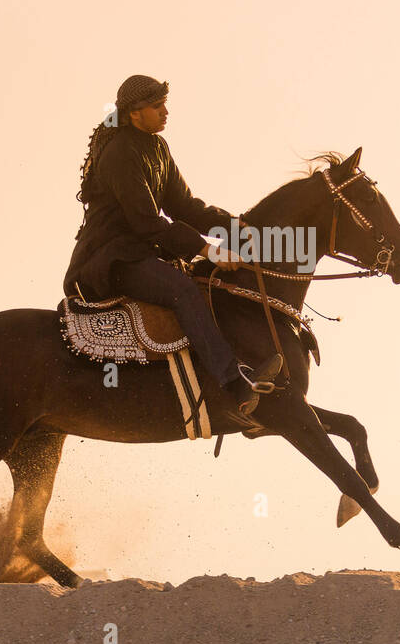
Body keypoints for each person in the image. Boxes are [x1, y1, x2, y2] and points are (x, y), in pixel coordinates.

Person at [62, 74, 282, 426]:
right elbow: (147, 222)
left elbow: (185, 206)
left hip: (142, 254)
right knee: (182, 290)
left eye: (165, 104)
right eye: (156, 106)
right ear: (135, 114)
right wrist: (206, 250)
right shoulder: (120, 152)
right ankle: (233, 381)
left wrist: (233, 226)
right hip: (111, 260)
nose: (166, 112)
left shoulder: (157, 148)